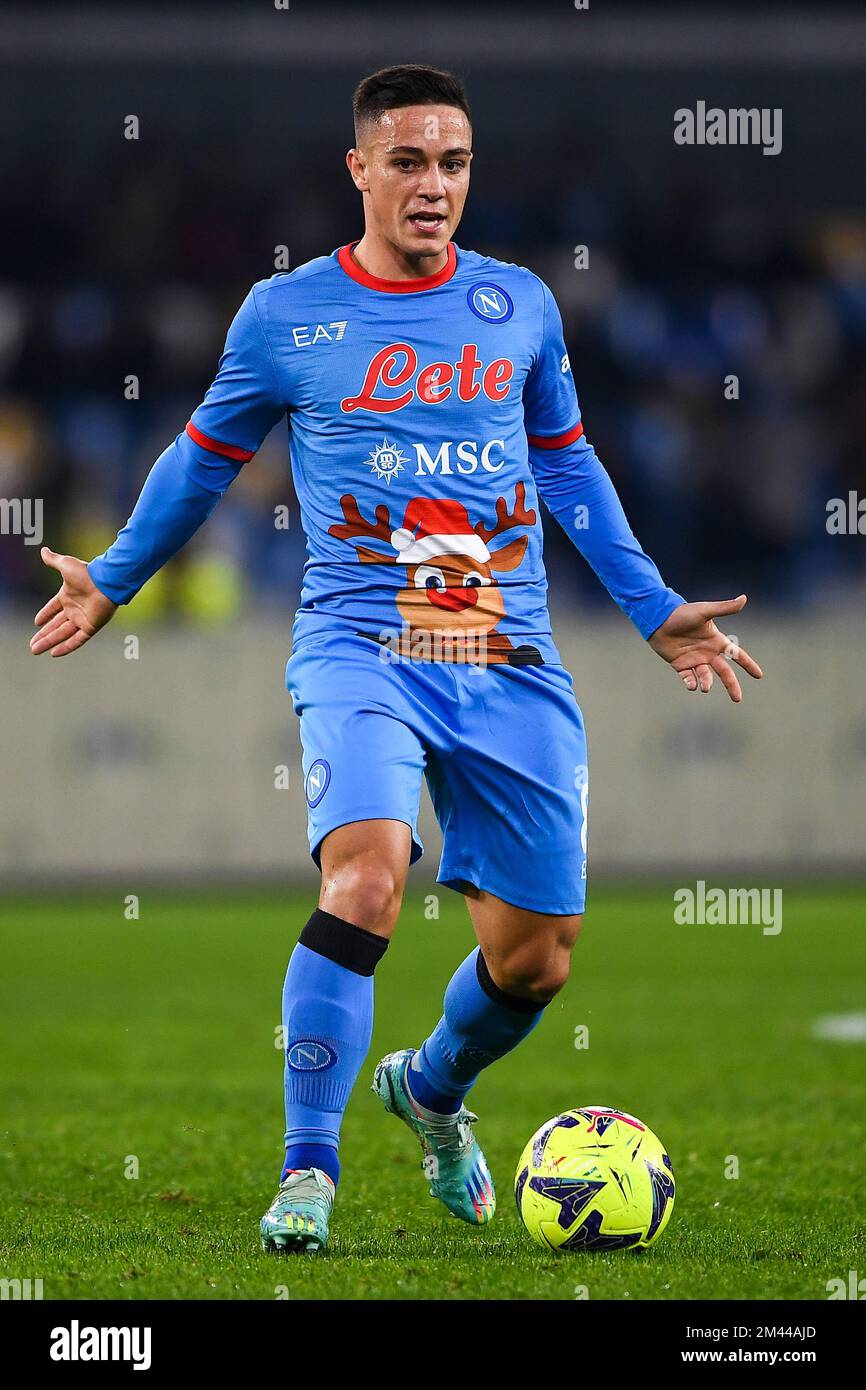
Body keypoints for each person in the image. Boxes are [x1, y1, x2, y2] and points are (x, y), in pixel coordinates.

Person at [30, 64, 762, 1253]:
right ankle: (307, 1169)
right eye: (410, 161)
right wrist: (114, 575)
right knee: (366, 877)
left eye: (455, 163)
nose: (434, 186)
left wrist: (649, 604)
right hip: (360, 639)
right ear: (359, 169)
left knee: (533, 964)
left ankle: (427, 1089)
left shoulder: (518, 304)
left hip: (503, 649)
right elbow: (202, 457)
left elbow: (567, 466)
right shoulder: (285, 316)